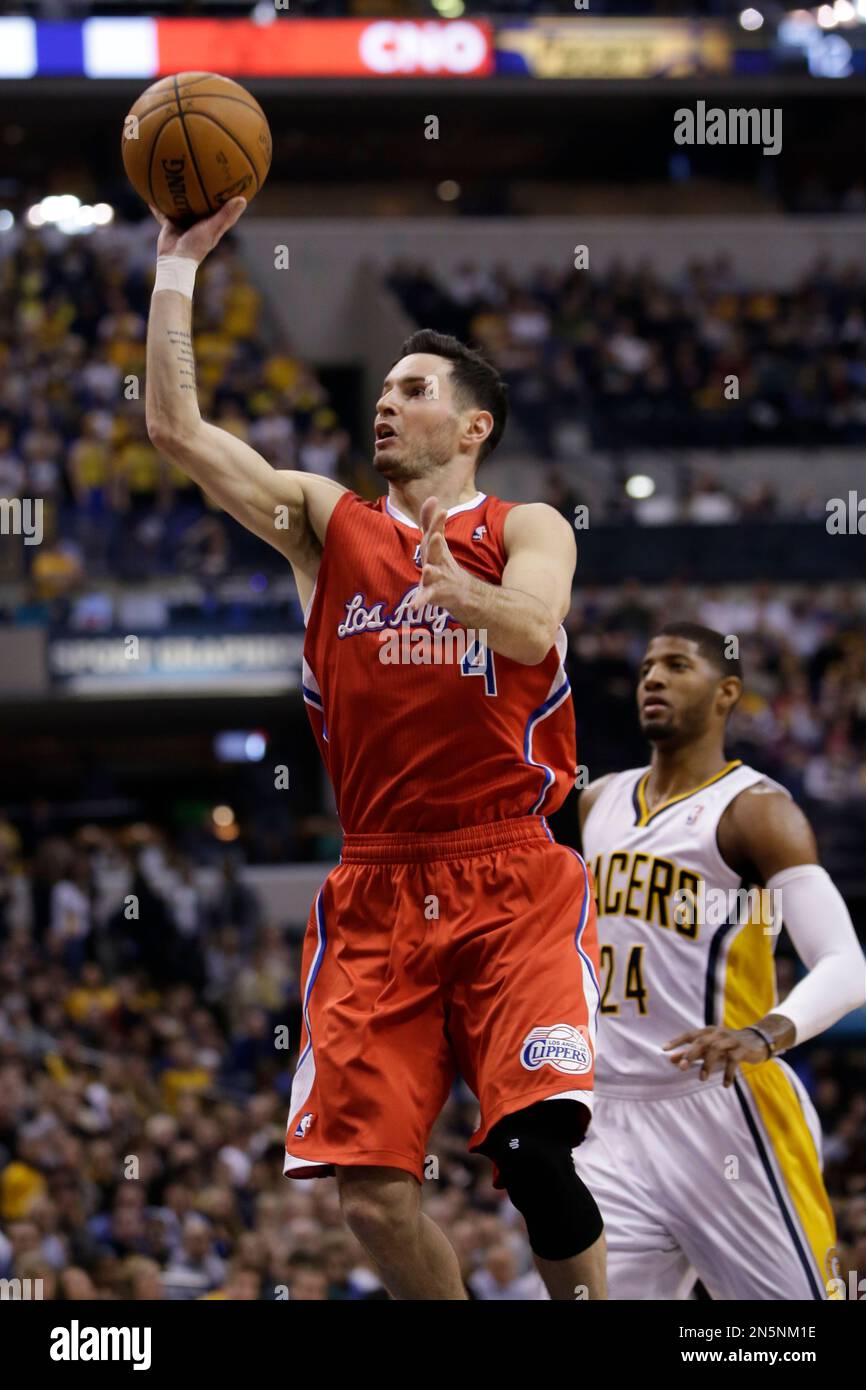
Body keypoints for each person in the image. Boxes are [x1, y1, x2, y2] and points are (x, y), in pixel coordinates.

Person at [144, 199, 604, 1301]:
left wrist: (465, 593)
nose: (385, 406)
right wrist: (174, 267)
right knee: (367, 1198)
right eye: (384, 389)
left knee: (535, 1155)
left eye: (413, 391)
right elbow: (178, 436)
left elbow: (537, 628)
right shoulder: (328, 523)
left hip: (511, 869)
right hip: (377, 878)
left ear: (473, 425)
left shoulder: (525, 525)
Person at [574, 622, 866, 1300]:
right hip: (610, 1114)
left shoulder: (757, 811)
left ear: (727, 692)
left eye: (677, 665)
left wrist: (762, 1035)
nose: (653, 677)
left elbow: (847, 964)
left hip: (723, 1106)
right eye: (648, 665)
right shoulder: (598, 801)